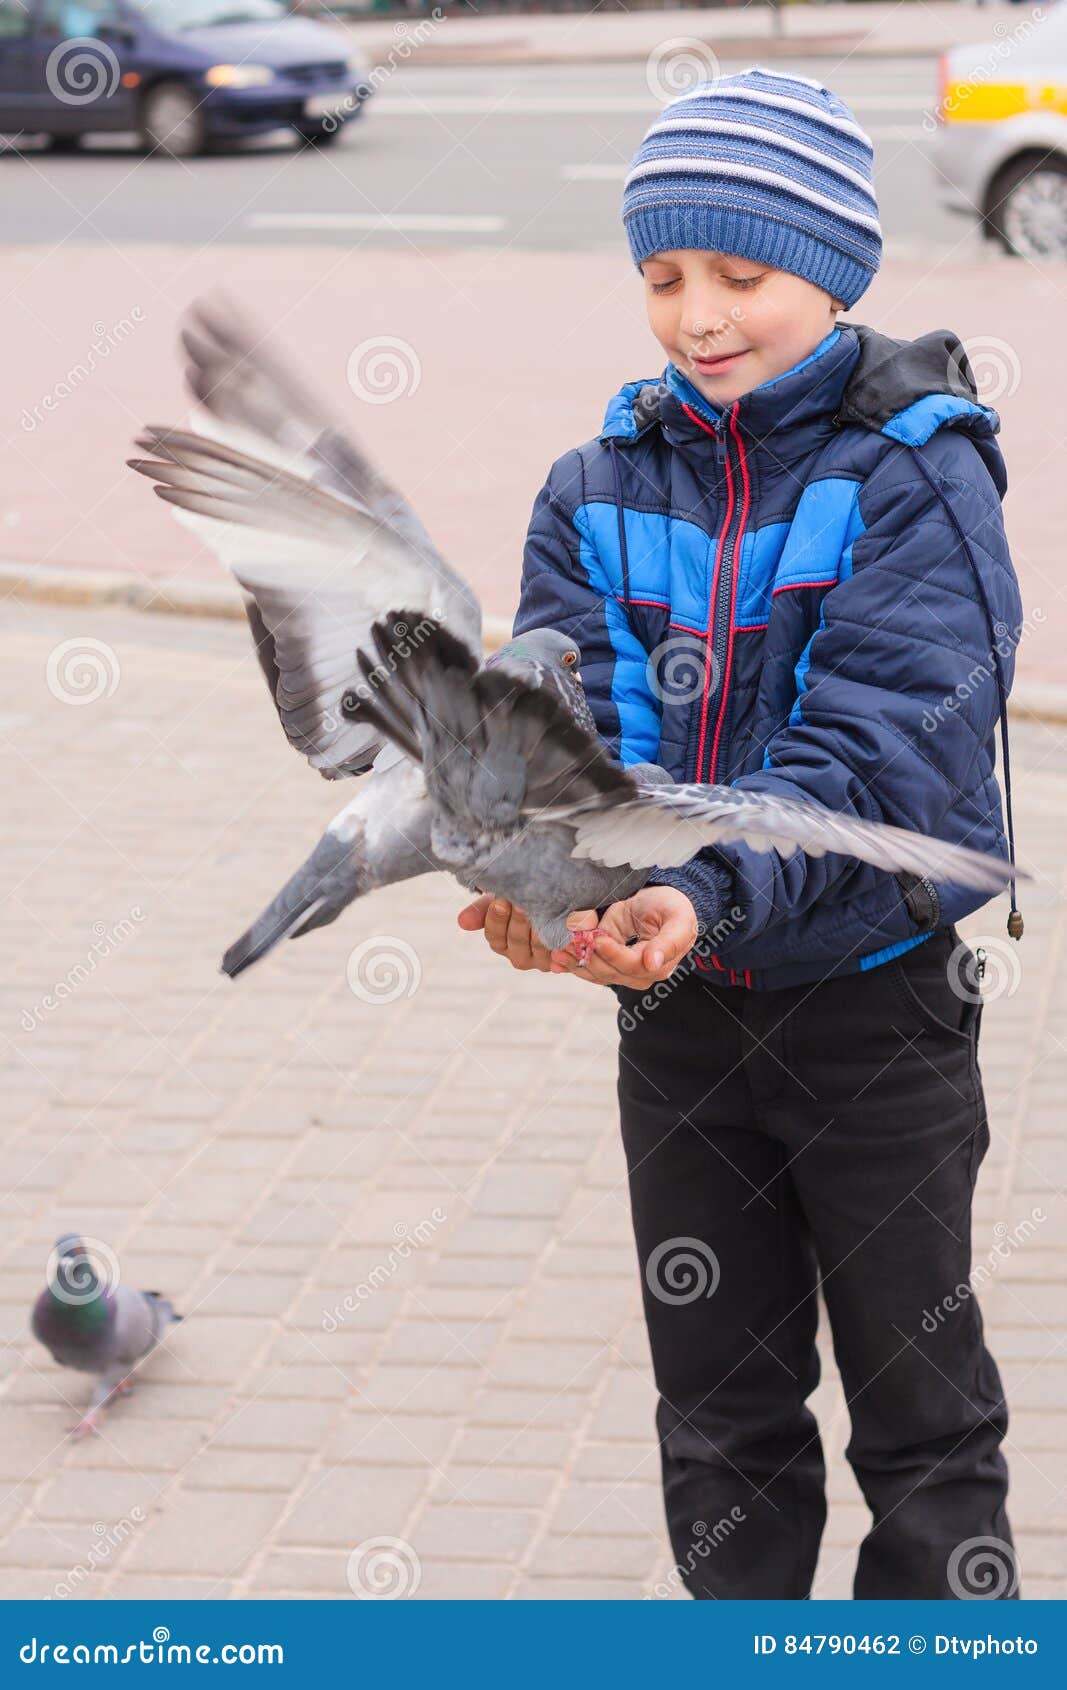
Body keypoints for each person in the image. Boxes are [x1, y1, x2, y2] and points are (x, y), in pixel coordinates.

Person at [458, 67, 1024, 1599]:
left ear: (834, 273)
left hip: (873, 1010)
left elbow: (878, 760)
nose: (696, 315)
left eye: (739, 275)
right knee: (717, 1411)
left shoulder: (917, 473)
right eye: (661, 276)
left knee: (922, 1418)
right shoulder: (597, 482)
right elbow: (567, 740)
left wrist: (706, 887)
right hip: (683, 1015)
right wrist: (551, 886)